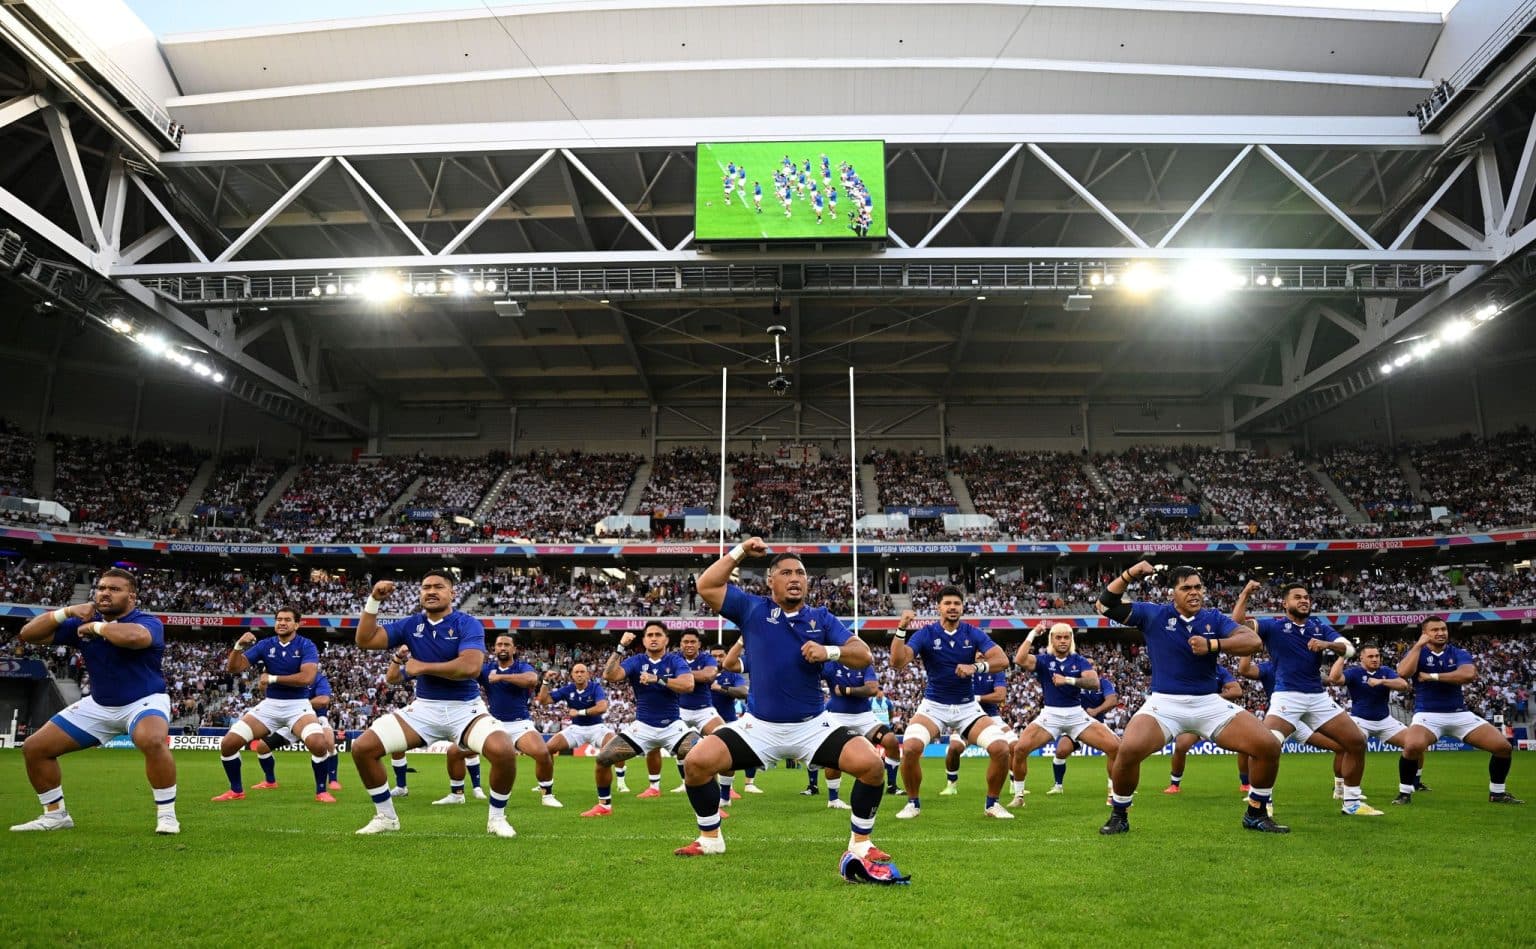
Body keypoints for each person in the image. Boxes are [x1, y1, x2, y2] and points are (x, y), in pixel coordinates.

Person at [679, 540, 898, 872]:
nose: (795, 578)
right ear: (770, 581)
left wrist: (830, 652)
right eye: (785, 572)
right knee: (696, 762)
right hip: (759, 727)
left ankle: (862, 843)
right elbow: (707, 584)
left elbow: (863, 654)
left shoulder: (821, 618)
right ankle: (710, 838)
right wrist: (739, 551)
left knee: (871, 766)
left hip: (812, 726)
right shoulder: (752, 609)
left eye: (800, 573)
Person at [1095, 561, 1287, 834]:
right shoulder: (1153, 614)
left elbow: (1253, 642)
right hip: (1165, 703)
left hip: (1208, 702)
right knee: (1128, 751)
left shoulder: (1213, 618)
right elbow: (1105, 605)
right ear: (1172, 592)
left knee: (1267, 746)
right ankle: (1119, 814)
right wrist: (1129, 574)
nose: (1194, 592)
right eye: (1186, 588)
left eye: (1198, 587)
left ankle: (1255, 812)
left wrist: (1213, 644)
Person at [349, 571, 520, 837]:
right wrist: (374, 601)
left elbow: (471, 667)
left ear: (452, 593)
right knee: (362, 748)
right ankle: (385, 816)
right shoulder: (410, 624)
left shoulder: (468, 623)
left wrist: (422, 667)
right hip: (424, 708)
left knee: (504, 750)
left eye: (438, 586)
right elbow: (365, 640)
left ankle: (497, 818)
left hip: (465, 708)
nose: (431, 591)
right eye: (425, 586)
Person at [11, 568, 178, 835]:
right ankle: (55, 816)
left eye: (114, 589)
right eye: (101, 588)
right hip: (99, 705)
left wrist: (97, 628)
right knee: (35, 748)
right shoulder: (82, 622)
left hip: (144, 701)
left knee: (152, 740)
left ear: (131, 597)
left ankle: (167, 816)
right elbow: (28, 634)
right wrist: (65, 613)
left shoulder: (148, 621)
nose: (105, 593)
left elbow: (135, 638)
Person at [1231, 580, 1376, 815]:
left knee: (1356, 742)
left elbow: (1348, 649)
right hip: (1287, 696)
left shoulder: (1318, 626)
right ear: (1285, 603)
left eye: (1307, 597)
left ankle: (1352, 803)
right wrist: (1245, 593)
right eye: (1297, 597)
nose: (1304, 600)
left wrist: (1326, 644)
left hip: (1318, 697)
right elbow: (1236, 624)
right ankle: (1260, 800)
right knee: (1266, 746)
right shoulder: (1274, 627)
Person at [889, 587, 1014, 820]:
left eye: (957, 603)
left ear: (963, 607)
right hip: (934, 705)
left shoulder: (972, 633)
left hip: (967, 707)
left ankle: (992, 804)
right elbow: (897, 662)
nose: (953, 607)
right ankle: (912, 803)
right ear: (939, 607)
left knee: (1001, 748)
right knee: (911, 747)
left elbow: (1002, 660)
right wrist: (901, 629)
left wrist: (976, 667)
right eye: (947, 603)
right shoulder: (926, 633)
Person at [212, 608, 336, 805]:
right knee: (228, 744)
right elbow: (234, 667)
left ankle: (321, 791)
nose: (282, 623)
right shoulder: (265, 644)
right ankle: (236, 790)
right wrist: (238, 647)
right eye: (278, 619)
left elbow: (307, 678)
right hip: (270, 705)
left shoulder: (306, 645)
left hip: (298, 705)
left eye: (287, 619)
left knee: (318, 744)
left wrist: (272, 678)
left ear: (297, 624)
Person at [1394, 616, 1522, 805]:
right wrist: (1417, 646)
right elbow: (1403, 673)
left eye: (1443, 629)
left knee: (1502, 747)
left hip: (1460, 713)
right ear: (1425, 633)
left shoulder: (1458, 652)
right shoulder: (1418, 653)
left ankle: (1497, 793)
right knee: (1412, 747)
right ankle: (1404, 793)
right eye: (1435, 630)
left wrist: (1433, 676)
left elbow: (1468, 674)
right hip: (1428, 715)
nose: (1440, 633)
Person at [438, 635, 560, 808]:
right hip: (492, 724)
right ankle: (456, 794)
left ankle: (547, 795)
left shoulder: (521, 666)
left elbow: (532, 679)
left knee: (542, 754)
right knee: (454, 753)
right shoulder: (487, 669)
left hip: (519, 723)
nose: (503, 648)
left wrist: (502, 677)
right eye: (499, 645)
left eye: (507, 645)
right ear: (494, 649)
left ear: (514, 649)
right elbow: (465, 672)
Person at [593, 621, 699, 817]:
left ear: (666, 640)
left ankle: (713, 805)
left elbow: (688, 684)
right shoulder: (636, 660)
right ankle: (604, 806)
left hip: (673, 725)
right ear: (643, 640)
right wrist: (620, 647)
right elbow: (610, 675)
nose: (653, 638)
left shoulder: (675, 661)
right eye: (649, 635)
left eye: (658, 635)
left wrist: (657, 679)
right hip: (642, 726)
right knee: (603, 759)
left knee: (702, 757)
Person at [1009, 622, 1120, 806]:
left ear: (1071, 639)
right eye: (1058, 637)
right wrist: (1033, 633)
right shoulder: (1044, 660)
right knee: (1020, 749)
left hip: (1076, 715)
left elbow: (1094, 683)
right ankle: (1019, 796)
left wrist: (1068, 680)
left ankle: (1113, 794)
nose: (1062, 641)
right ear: (1051, 639)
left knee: (1114, 747)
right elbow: (1020, 659)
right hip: (1050, 714)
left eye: (1066, 637)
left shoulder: (1079, 660)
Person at [1327, 644, 1429, 798]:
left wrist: (1382, 682)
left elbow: (1403, 685)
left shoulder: (1385, 672)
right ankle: (1341, 787)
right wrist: (1343, 656)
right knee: (1348, 748)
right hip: (1359, 720)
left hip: (1385, 720)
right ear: (1361, 658)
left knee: (1415, 744)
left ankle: (1415, 781)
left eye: (1377, 656)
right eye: (1370, 656)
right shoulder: (1354, 672)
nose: (1375, 659)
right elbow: (1334, 679)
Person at [538, 661, 627, 814]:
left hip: (596, 728)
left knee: (616, 747)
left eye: (582, 672)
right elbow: (543, 700)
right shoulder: (568, 689)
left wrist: (579, 713)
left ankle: (621, 781)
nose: (579, 674)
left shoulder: (595, 687)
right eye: (576, 672)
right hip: (576, 729)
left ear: (588, 674)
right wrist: (545, 681)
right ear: (571, 675)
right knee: (547, 749)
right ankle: (546, 786)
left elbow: (602, 707)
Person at [820, 654, 903, 811]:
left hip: (864, 717)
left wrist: (847, 690)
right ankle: (833, 798)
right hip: (837, 716)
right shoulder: (831, 665)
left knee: (891, 741)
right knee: (833, 754)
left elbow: (872, 689)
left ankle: (892, 785)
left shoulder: (864, 664)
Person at [1026, 662, 1118, 802]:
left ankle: (1116, 789)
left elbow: (1112, 700)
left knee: (1119, 748)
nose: (1090, 667)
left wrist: (1096, 711)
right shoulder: (1072, 682)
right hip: (1074, 724)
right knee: (1061, 751)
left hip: (1095, 726)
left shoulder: (1103, 683)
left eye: (1093, 665)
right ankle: (1058, 785)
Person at [248, 669, 343, 792]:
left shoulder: (318, 678)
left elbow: (323, 700)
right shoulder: (284, 676)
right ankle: (270, 781)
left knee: (328, 742)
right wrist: (263, 686)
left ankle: (333, 780)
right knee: (262, 747)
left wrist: (298, 705)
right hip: (289, 717)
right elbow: (269, 695)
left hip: (314, 717)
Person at [1164, 664, 1245, 793]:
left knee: (1244, 744)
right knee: (1181, 747)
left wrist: (1214, 699)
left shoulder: (1220, 670)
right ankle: (1174, 785)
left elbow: (1237, 691)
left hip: (1215, 716)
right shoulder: (1186, 667)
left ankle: (1245, 783)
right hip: (1194, 716)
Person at [940, 660, 1007, 798]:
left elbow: (1000, 696)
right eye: (978, 651)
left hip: (992, 716)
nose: (981, 654)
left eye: (983, 652)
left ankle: (1015, 786)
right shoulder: (962, 669)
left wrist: (978, 698)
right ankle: (951, 785)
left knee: (1013, 745)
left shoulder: (996, 670)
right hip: (968, 716)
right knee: (954, 747)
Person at [672, 630, 726, 800]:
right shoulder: (673, 658)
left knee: (724, 741)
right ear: (680, 644)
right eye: (685, 642)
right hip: (679, 708)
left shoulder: (707, 658)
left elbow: (709, 675)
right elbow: (700, 676)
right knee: (681, 749)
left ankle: (725, 794)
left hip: (704, 709)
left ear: (699, 644)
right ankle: (685, 782)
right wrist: (695, 675)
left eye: (692, 642)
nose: (689, 645)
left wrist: (680, 675)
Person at [708, 645, 759, 793]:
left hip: (728, 721)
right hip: (705, 721)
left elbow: (744, 692)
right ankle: (690, 784)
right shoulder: (704, 674)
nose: (717, 659)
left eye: (720, 656)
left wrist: (722, 689)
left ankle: (749, 784)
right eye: (714, 656)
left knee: (749, 748)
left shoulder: (732, 675)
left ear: (726, 657)